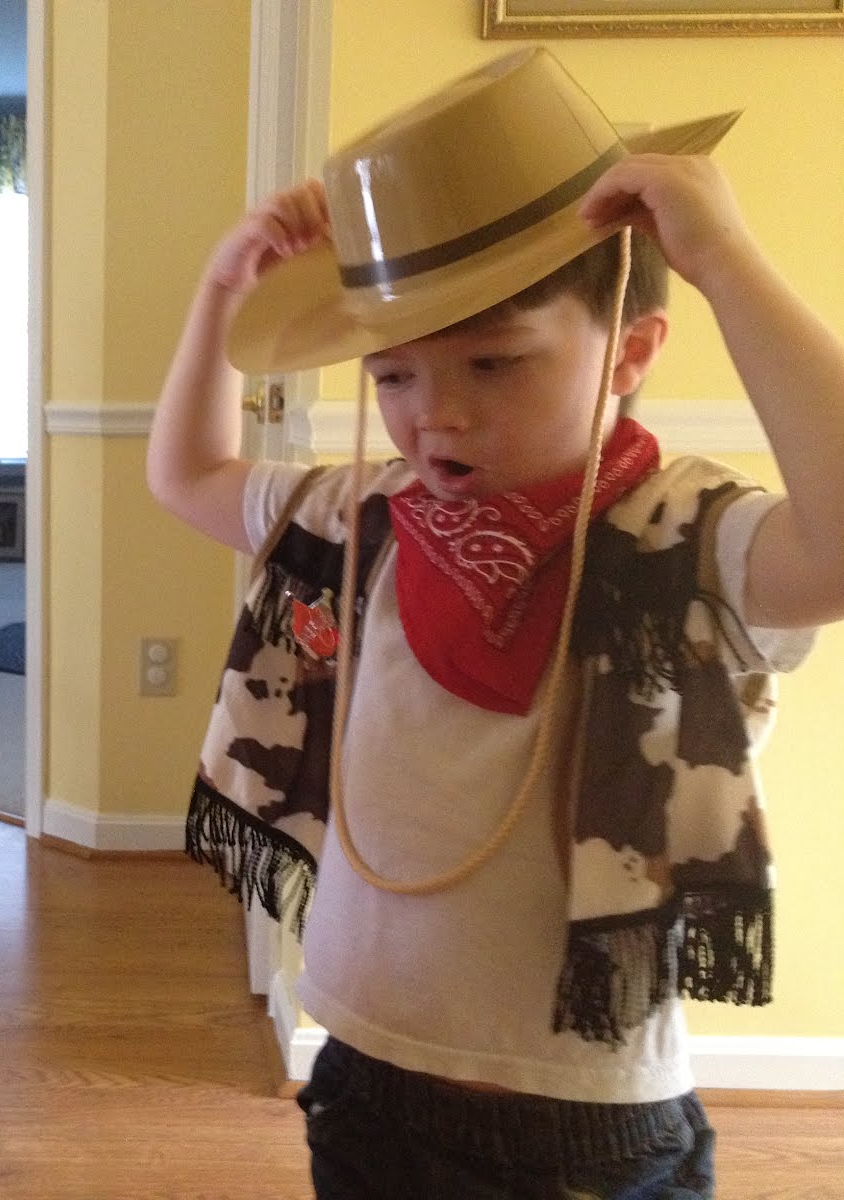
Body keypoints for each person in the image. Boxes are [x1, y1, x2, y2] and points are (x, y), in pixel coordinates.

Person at [148, 48, 844, 1198]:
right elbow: (186, 475)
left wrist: (721, 257)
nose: (437, 415)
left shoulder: (686, 536)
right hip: (365, 1073)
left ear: (627, 350)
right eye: (394, 377)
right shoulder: (355, 515)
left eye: (494, 362)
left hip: (581, 1125)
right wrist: (222, 290)